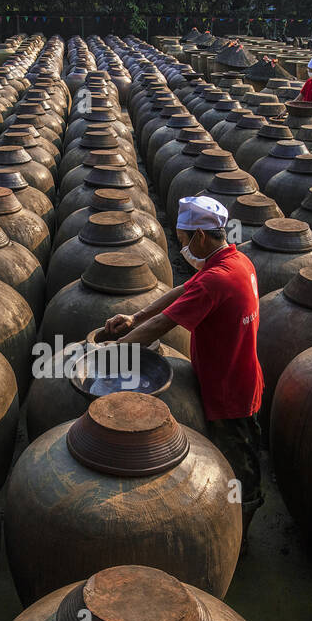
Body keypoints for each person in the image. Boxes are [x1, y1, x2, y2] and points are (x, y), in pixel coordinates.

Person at [103, 196, 265, 552]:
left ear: (201, 238)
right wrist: (135, 317)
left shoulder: (217, 280)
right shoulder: (236, 262)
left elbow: (165, 324)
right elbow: (185, 289)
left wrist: (112, 352)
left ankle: (239, 540)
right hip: (234, 376)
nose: (181, 247)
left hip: (230, 390)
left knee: (239, 469)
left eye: (182, 239)